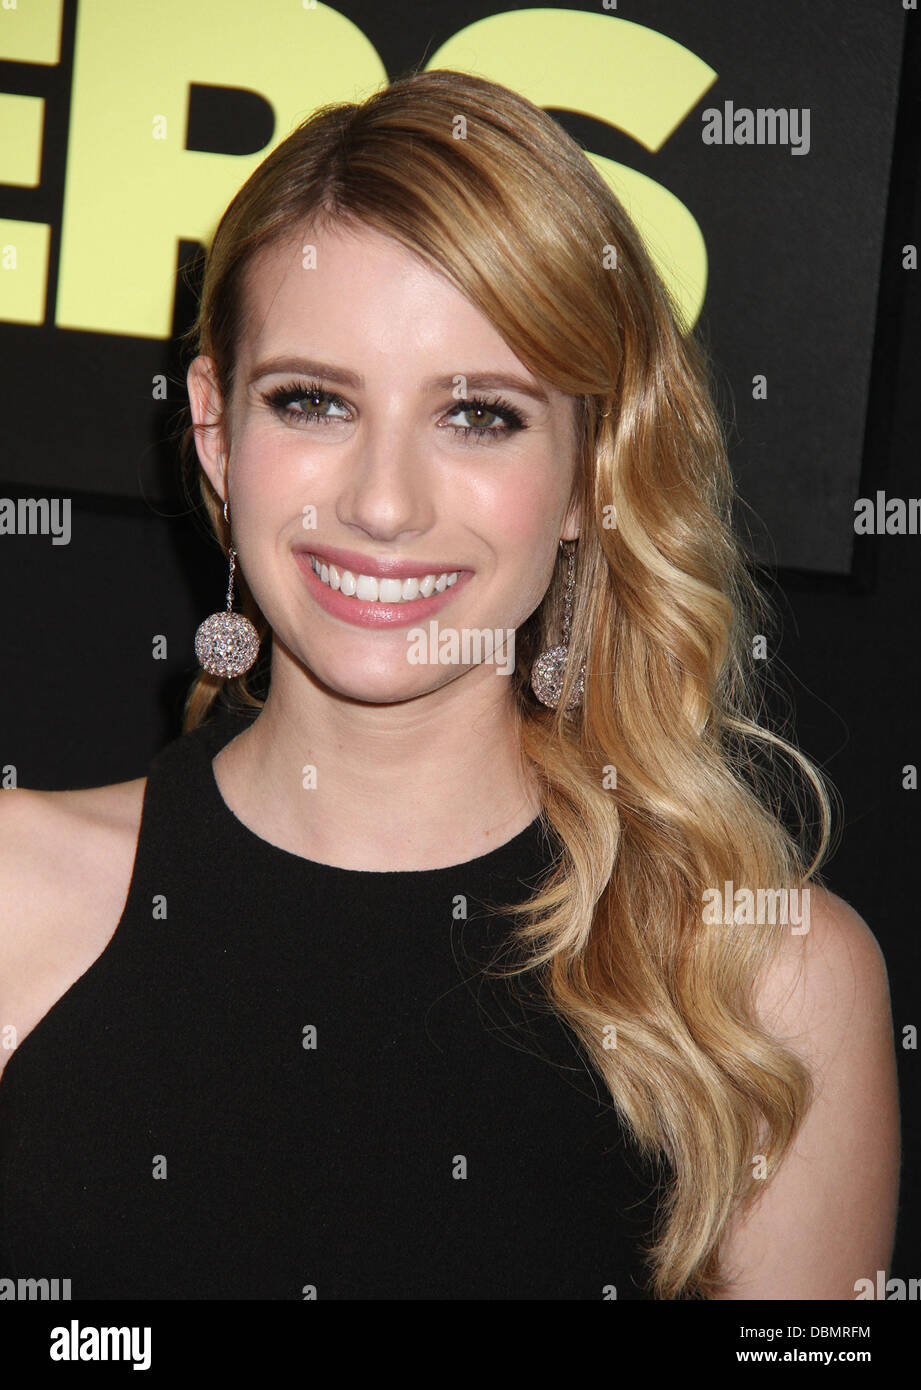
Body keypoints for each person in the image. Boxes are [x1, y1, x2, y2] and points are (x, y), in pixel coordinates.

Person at [0, 68, 899, 1301]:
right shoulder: (12, 902)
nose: (381, 502)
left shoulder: (764, 985)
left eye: (478, 415)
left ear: (595, 468)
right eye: (312, 401)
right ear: (217, 434)